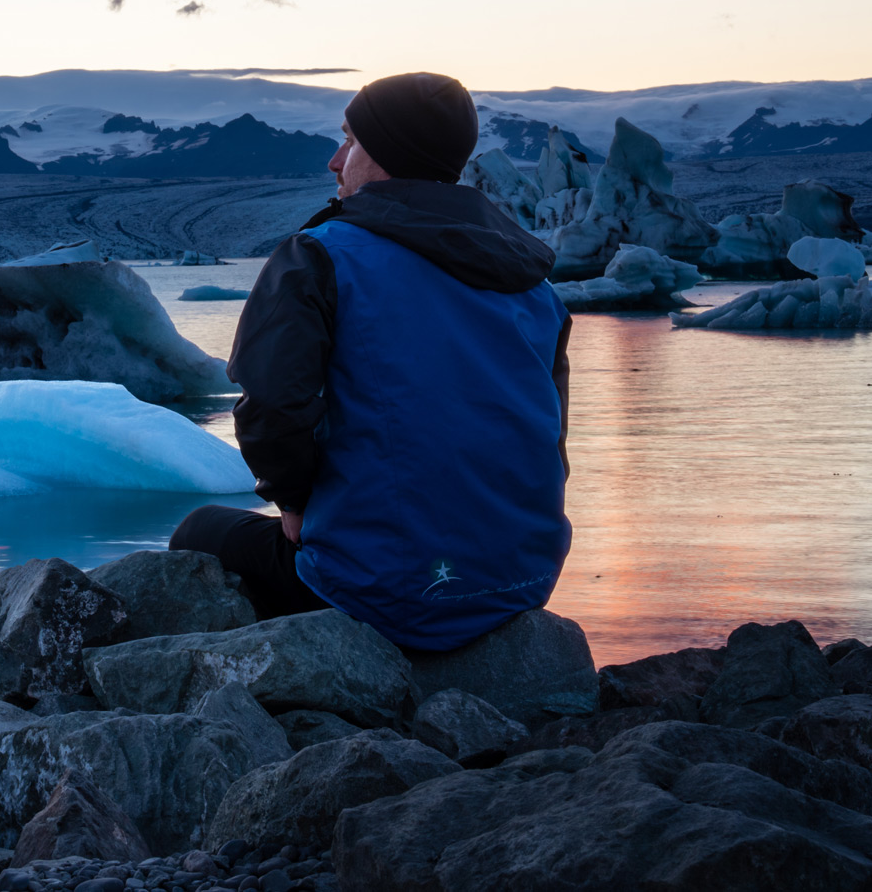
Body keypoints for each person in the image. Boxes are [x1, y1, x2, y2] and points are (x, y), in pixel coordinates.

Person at [169, 71, 573, 653]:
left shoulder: (322, 257)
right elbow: (550, 441)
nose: (335, 161)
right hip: (522, 584)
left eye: (350, 141)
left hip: (391, 591)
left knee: (199, 531)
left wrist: (293, 502)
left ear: (387, 154)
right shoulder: (536, 289)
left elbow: (273, 406)